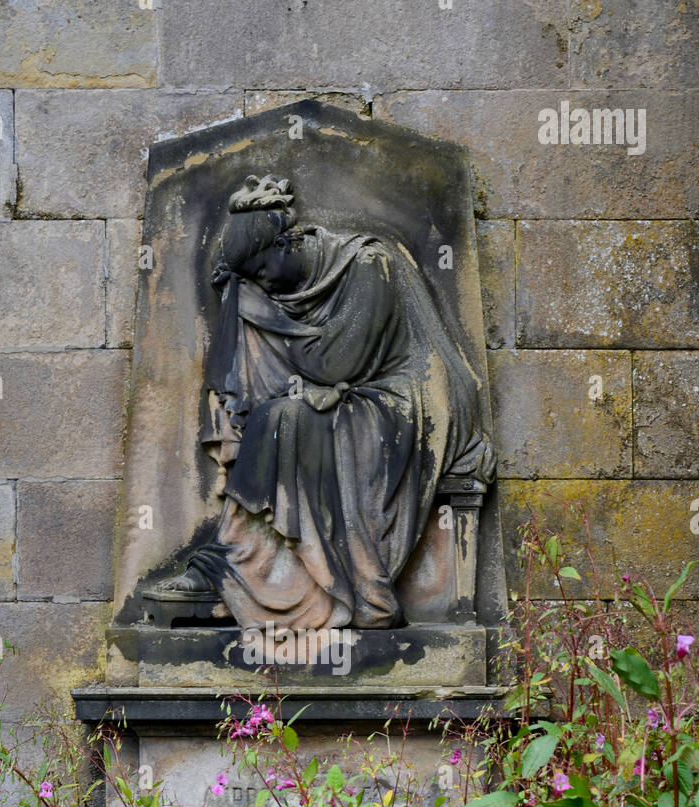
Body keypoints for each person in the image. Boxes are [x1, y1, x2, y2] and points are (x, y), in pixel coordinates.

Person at [159, 174, 494, 630]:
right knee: (279, 416)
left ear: (285, 243)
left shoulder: (368, 263)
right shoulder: (295, 284)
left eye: (260, 272)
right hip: (356, 396)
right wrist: (242, 296)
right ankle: (242, 559)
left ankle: (302, 575)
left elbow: (339, 363)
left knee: (285, 418)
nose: (264, 285)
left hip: (407, 398)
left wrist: (258, 308)